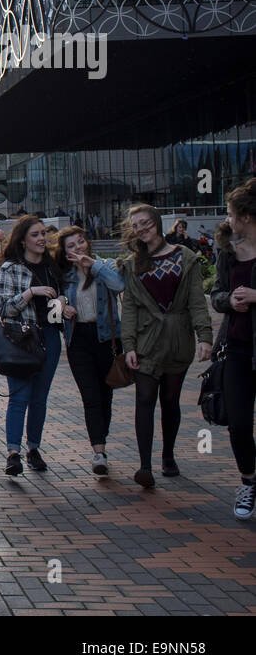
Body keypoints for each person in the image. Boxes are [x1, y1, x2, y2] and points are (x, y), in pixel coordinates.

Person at [119, 203, 213, 488]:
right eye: (136, 225)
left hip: (177, 340)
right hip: (147, 341)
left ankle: (168, 456)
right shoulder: (134, 262)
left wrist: (205, 336)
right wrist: (129, 345)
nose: (141, 229)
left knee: (170, 400)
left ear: (158, 223)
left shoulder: (184, 257)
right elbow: (131, 307)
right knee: (144, 399)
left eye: (145, 222)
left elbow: (197, 301)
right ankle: (145, 466)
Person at [0, 215, 65, 476]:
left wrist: (63, 307)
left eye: (43, 234)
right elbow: (4, 310)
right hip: (21, 340)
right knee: (19, 397)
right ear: (23, 239)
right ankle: (13, 453)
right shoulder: (10, 268)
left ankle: (33, 448)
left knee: (39, 398)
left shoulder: (51, 267)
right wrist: (31, 293)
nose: (41, 239)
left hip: (49, 338)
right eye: (35, 234)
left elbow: (54, 310)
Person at [55, 226, 124, 476]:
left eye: (81, 242)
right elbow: (52, 308)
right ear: (64, 252)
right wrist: (62, 308)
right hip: (79, 339)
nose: (78, 249)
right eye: (71, 246)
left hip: (107, 338)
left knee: (106, 396)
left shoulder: (105, 266)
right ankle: (99, 451)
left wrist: (92, 265)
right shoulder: (64, 275)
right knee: (91, 396)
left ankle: (100, 436)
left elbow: (119, 284)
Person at [212, 178, 256, 518]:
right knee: (239, 423)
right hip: (236, 348)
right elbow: (216, 295)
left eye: (230, 213)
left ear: (246, 216)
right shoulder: (227, 252)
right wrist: (230, 300)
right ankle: (248, 480)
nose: (227, 220)